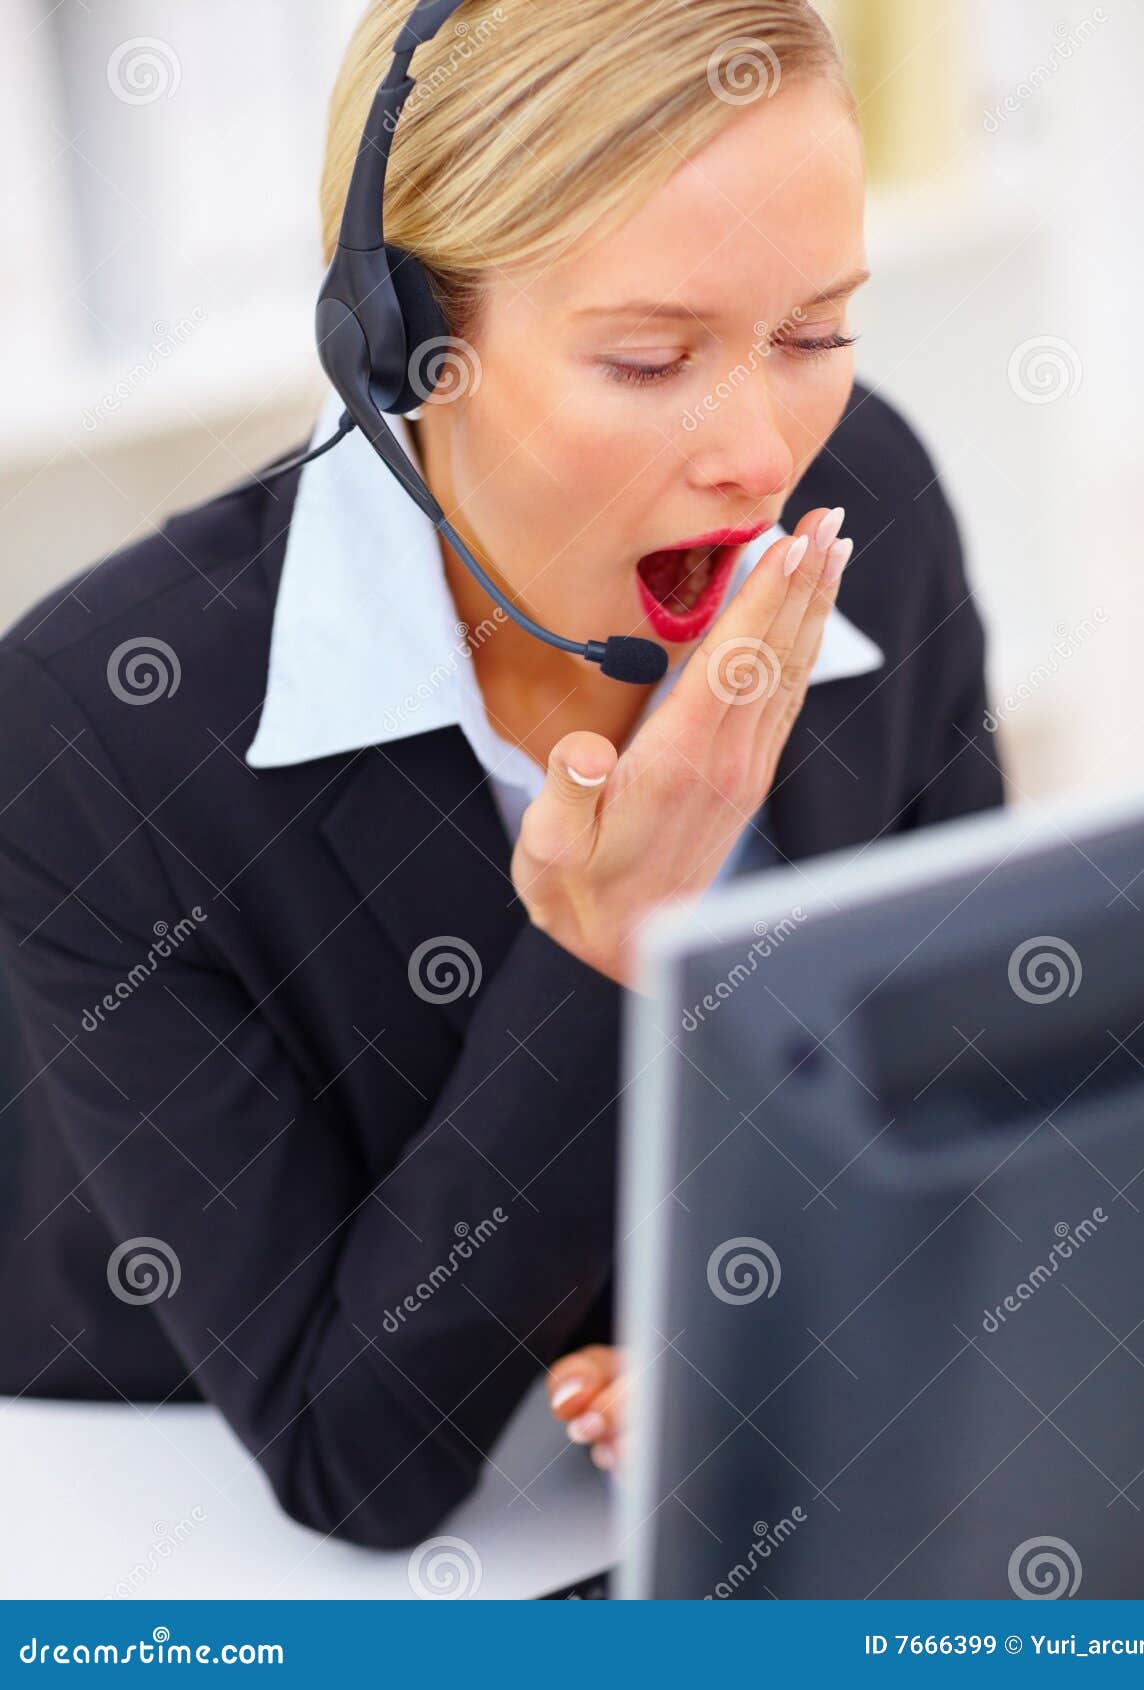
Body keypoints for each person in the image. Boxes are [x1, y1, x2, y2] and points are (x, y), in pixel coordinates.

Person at [0, 0, 1002, 1548]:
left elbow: (960, 1100)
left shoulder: (870, 499)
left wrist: (759, 1317)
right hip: (167, 1503)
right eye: (652, 357)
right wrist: (612, 935)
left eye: (813, 332)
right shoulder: (88, 729)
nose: (762, 449)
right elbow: (359, 1464)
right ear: (402, 350)